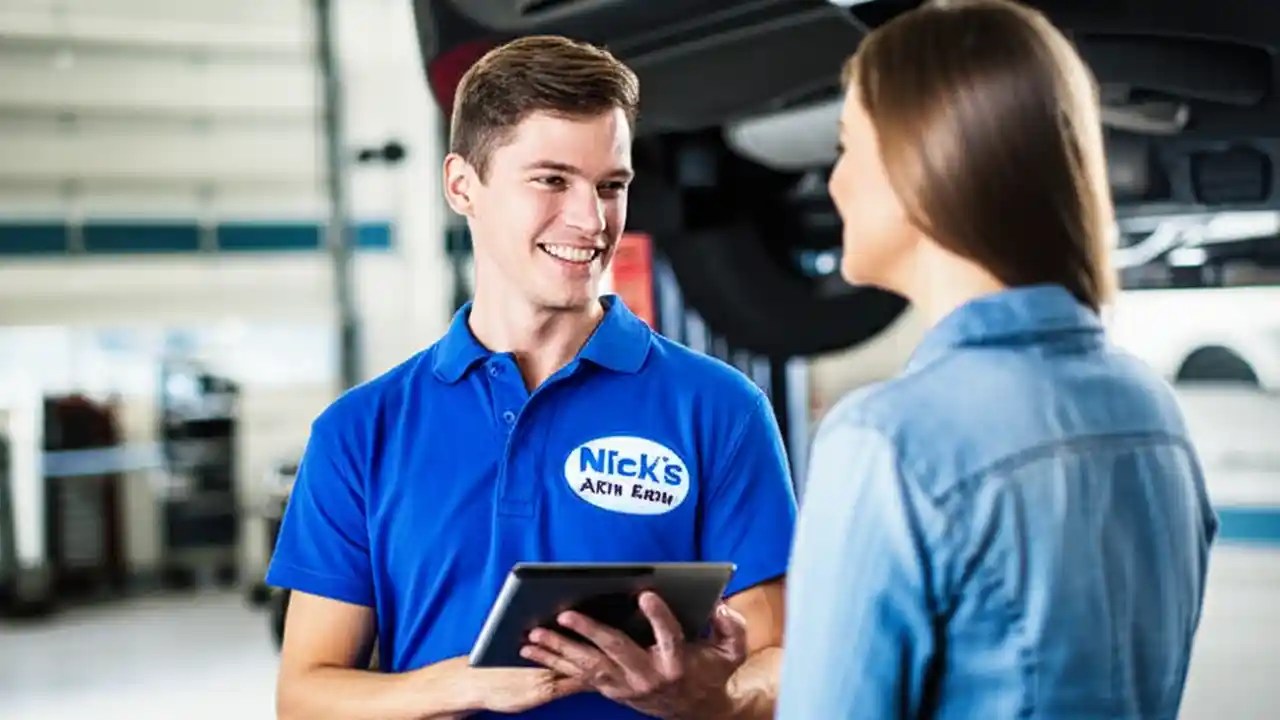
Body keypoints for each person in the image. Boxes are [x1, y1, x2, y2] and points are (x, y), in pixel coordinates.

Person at [267, 35, 796, 720]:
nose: (590, 220)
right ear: (463, 185)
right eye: (551, 180)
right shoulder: (359, 432)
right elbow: (305, 697)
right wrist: (468, 683)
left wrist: (709, 698)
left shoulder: (720, 410)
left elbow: (782, 665)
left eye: (611, 185)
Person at [777, 1, 1219, 718]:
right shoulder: (1151, 409)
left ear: (920, 159)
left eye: (847, 146)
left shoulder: (888, 441)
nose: (834, 184)